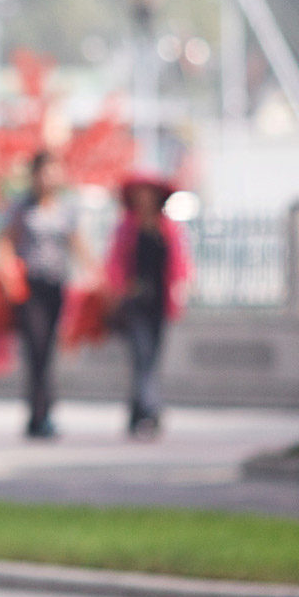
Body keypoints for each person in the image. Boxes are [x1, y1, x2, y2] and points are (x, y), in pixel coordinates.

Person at [0, 148, 92, 438]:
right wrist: (7, 275)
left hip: (56, 286)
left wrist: (95, 274)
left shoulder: (66, 207)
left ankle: (44, 410)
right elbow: (4, 242)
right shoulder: (22, 207)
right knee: (35, 349)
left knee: (49, 349)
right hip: (29, 289)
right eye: (45, 170)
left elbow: (77, 242)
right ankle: (38, 414)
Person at [104, 172, 190, 438]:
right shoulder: (127, 227)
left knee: (151, 359)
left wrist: (181, 290)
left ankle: (136, 412)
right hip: (134, 304)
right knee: (142, 357)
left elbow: (179, 264)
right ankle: (151, 411)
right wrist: (118, 289)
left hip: (159, 303)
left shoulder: (167, 228)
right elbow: (115, 263)